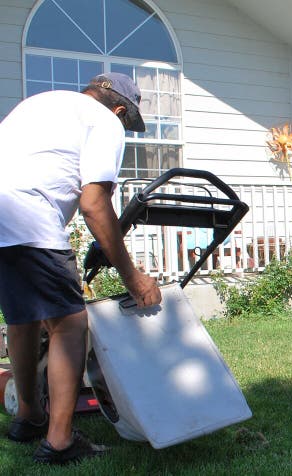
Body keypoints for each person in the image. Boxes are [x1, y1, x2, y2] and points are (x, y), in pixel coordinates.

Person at [0, 72, 162, 465]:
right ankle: (59, 441)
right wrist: (132, 276)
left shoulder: (39, 103)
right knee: (69, 325)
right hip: (28, 215)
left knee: (23, 319)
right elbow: (93, 203)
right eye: (127, 121)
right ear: (120, 109)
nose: (124, 127)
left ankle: (29, 417)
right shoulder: (104, 121)